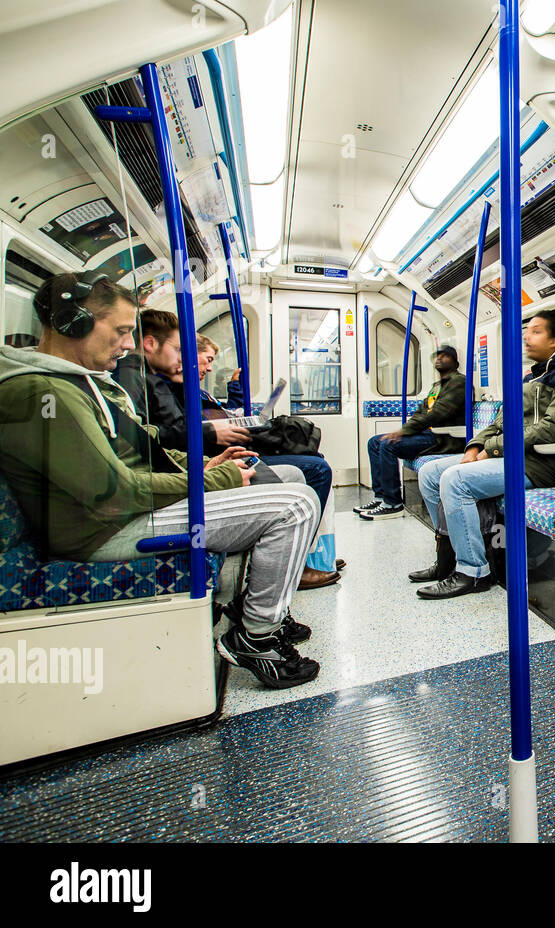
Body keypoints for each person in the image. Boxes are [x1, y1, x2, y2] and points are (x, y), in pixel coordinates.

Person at [0, 273, 321, 689]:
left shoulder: (79, 383)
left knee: (290, 479)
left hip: (124, 511)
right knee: (295, 504)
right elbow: (115, 492)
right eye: (118, 330)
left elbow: (144, 446)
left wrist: (204, 468)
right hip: (104, 530)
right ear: (72, 323)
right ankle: (256, 636)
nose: (129, 343)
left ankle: (256, 610)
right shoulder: (44, 393)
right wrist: (219, 478)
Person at [118, 311, 340, 588]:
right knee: (314, 468)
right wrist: (210, 434)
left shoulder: (158, 380)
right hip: (192, 464)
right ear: (151, 344)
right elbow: (160, 439)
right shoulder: (140, 380)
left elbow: (172, 430)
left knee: (309, 459)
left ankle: (304, 554)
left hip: (200, 457)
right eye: (179, 351)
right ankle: (295, 561)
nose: (183, 360)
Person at [410, 309, 555, 599]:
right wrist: (474, 446)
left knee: (455, 481)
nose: (526, 337)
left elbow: (554, 430)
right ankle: (447, 558)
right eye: (526, 331)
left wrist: (493, 448)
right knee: (431, 473)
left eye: (536, 331)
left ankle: (473, 571)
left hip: (542, 465)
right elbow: (499, 422)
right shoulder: (529, 378)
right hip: (512, 457)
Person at [357, 343, 467, 520]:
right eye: (438, 356)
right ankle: (381, 497)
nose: (439, 359)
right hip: (429, 434)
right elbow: (421, 413)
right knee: (374, 442)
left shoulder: (459, 382)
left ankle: (393, 503)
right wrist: (404, 430)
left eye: (445, 356)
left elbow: (439, 413)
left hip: (445, 437)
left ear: (455, 362)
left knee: (388, 445)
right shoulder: (437, 387)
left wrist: (403, 433)